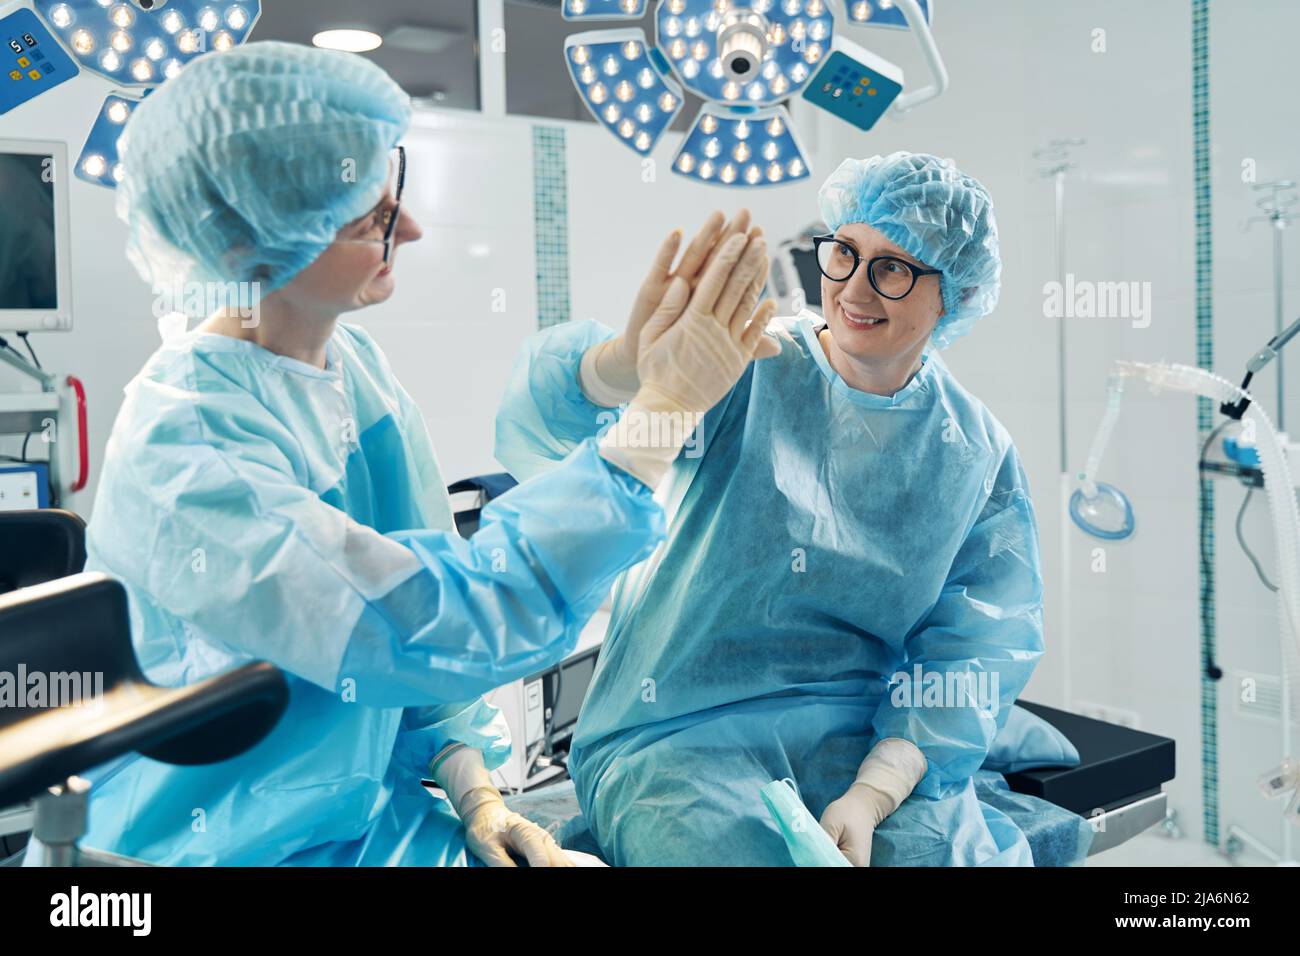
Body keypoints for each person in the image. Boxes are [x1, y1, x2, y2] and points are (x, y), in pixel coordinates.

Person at [64, 41, 777, 867]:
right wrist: (664, 409)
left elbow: (422, 637)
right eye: (372, 221)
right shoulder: (189, 446)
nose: (411, 227)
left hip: (361, 824)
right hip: (218, 847)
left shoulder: (350, 371)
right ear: (251, 249)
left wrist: (476, 795)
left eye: (391, 193)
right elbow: (437, 621)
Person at [496, 151, 1045, 866]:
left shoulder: (972, 451)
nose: (854, 287)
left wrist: (874, 793)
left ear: (955, 295)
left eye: (894, 267)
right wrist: (624, 363)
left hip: (860, 738)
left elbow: (974, 648)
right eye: (844, 252)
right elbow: (557, 442)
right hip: (674, 735)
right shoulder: (743, 368)